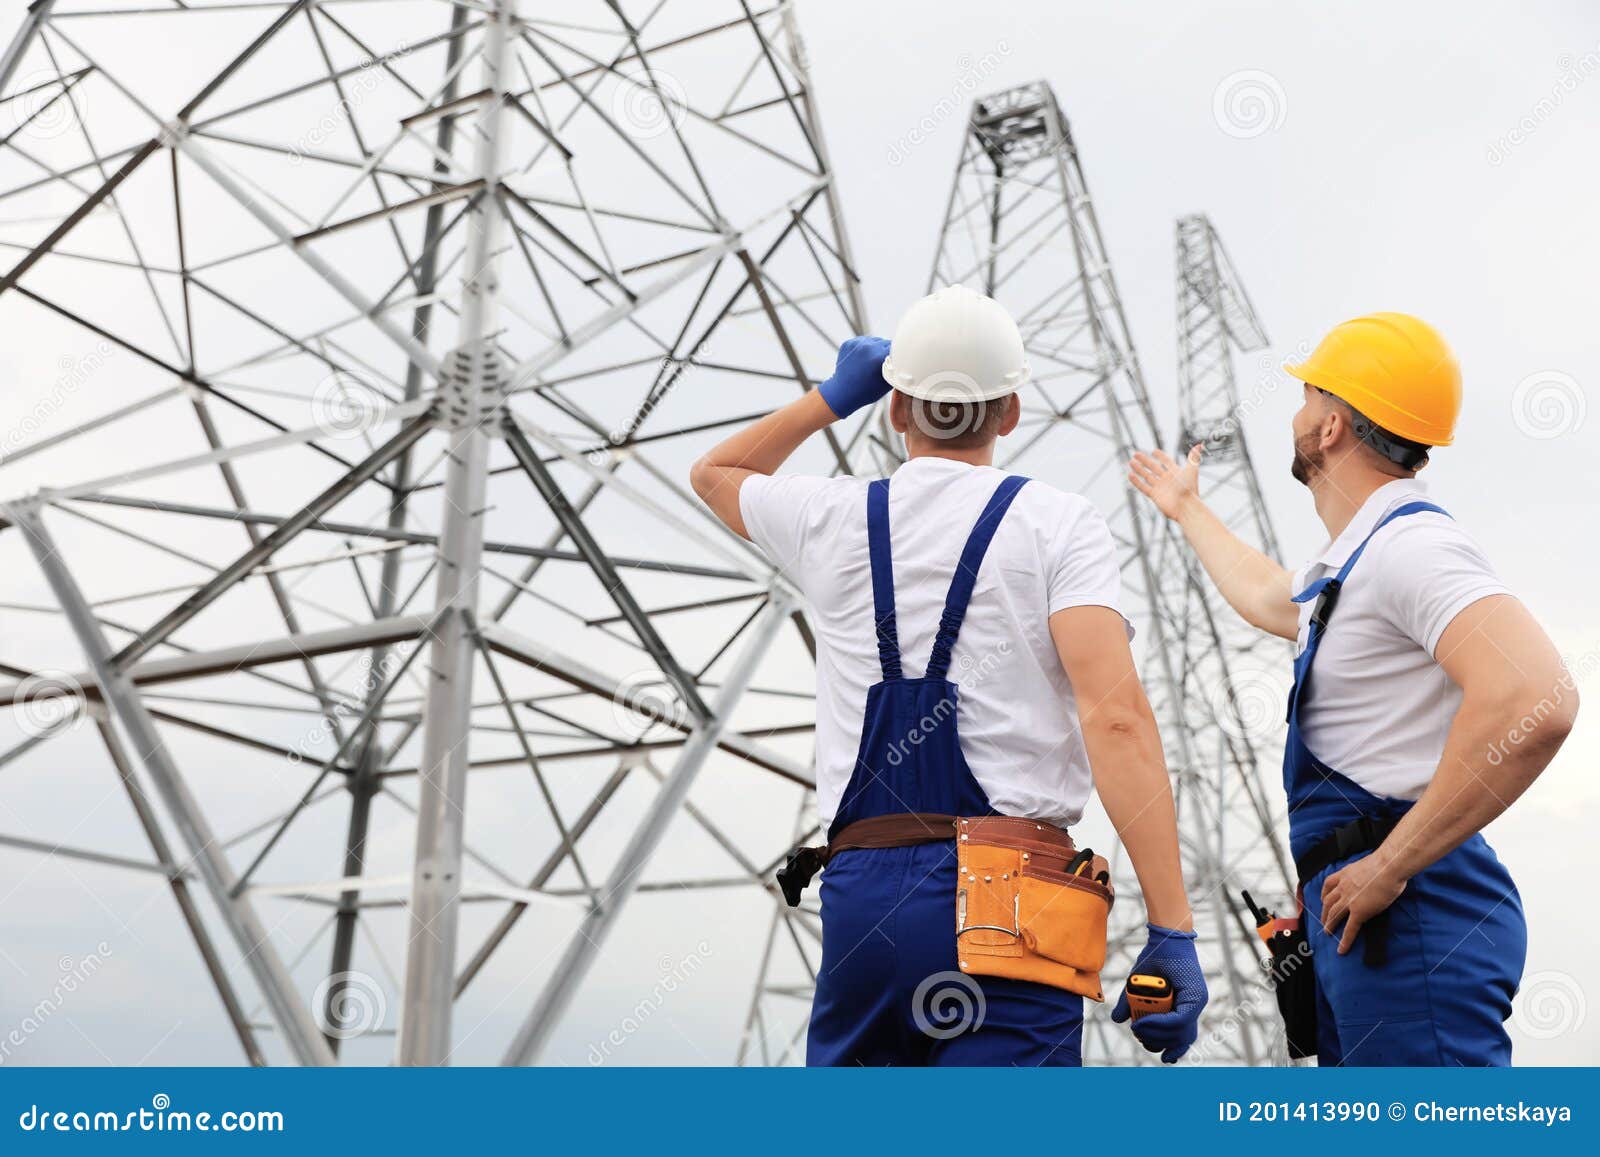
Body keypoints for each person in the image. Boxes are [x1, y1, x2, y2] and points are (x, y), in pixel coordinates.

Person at [691, 285, 1206, 1066]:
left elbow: (715, 471)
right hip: (1012, 900)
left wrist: (832, 398)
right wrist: (1172, 926)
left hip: (863, 898)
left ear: (897, 409)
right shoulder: (1059, 524)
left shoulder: (830, 516)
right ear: (1012, 411)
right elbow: (1116, 718)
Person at [1129, 312, 1578, 1065]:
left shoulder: (1412, 547)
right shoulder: (1360, 562)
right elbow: (1273, 598)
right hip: (1367, 919)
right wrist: (1187, 508)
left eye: (1307, 398)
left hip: (1412, 911)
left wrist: (1392, 862)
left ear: (1331, 426)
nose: (1297, 415)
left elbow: (1538, 697)